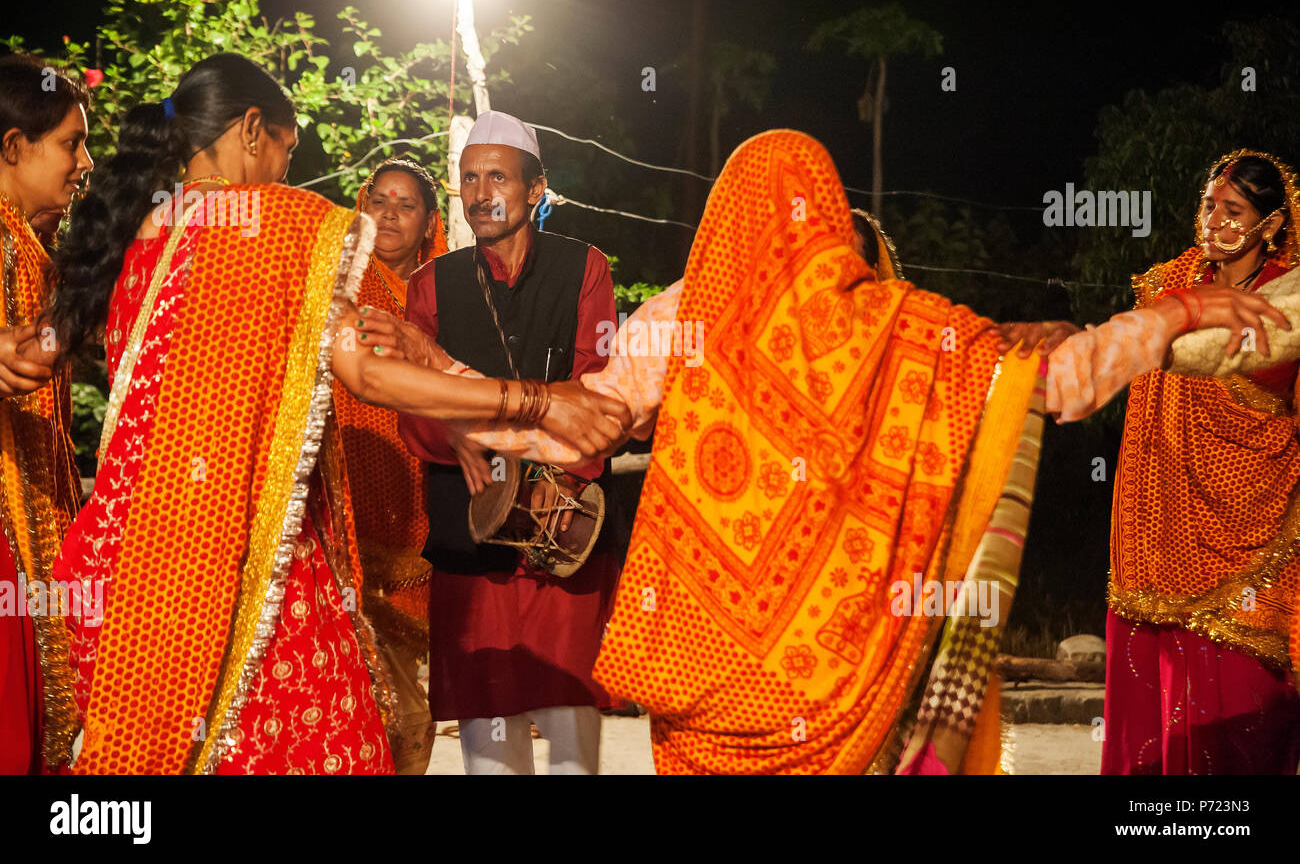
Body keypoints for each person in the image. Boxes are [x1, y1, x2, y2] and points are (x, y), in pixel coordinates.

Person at [367, 129, 1289, 773]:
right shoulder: (895, 326)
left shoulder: (683, 322)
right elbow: (1062, 381)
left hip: (705, 690)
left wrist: (435, 369)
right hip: (853, 689)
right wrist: (1177, 310)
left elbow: (571, 425)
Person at [45, 54, 629, 775]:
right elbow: (367, 374)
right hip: (257, 576)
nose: (286, 176)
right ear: (252, 130)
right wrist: (539, 398)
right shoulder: (278, 223)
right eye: (288, 154)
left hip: (134, 571)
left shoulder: (142, 242)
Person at [395, 109, 623, 775]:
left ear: (535, 189)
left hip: (563, 538)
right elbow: (413, 409)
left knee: (571, 746)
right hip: (471, 540)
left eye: (498, 176)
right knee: (490, 758)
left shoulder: (586, 270)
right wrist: (452, 432)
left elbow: (599, 398)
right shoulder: (430, 285)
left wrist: (482, 430)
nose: (480, 192)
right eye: (468, 177)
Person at [1102, 149, 1300, 775]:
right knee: (1159, 727)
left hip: (1255, 534)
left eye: (1233, 209)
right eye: (1209, 204)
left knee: (1246, 718)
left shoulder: (1288, 298)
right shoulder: (1168, 288)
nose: (1214, 219)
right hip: (1158, 537)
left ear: (1270, 225)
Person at [332, 157, 447, 774]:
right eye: (379, 201)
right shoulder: (339, 283)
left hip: (418, 506)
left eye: (405, 205)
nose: (389, 215)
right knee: (348, 687)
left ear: (429, 222)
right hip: (342, 493)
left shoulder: (445, 297)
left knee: (405, 701)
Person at [0, 54, 91, 774]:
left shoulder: (35, 249)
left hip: (34, 531)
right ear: (12, 148)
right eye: (70, 142)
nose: (85, 163)